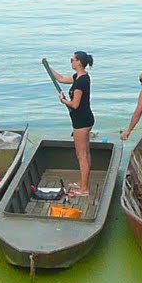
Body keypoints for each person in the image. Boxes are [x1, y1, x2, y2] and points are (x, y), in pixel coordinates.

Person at [46, 51, 94, 196]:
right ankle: (83, 182)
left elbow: (74, 104)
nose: (71, 62)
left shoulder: (81, 81)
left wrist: (63, 100)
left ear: (79, 62)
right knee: (85, 153)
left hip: (81, 121)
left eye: (72, 60)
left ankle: (84, 189)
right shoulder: (78, 77)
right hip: (84, 119)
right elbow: (60, 79)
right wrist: (48, 67)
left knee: (82, 156)